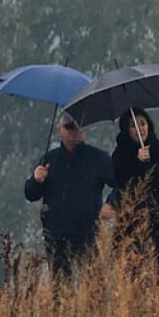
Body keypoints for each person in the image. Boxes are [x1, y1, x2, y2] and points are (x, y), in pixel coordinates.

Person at [22, 115, 115, 279]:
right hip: (56, 235)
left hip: (87, 234)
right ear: (60, 131)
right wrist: (36, 180)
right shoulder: (50, 159)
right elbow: (31, 194)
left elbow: (121, 184)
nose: (75, 130)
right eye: (69, 126)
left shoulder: (99, 158)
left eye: (79, 126)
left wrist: (111, 203)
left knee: (93, 287)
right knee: (60, 290)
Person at [106, 108, 159, 282]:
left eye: (142, 123)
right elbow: (121, 183)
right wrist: (137, 162)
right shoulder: (119, 154)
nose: (140, 129)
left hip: (157, 223)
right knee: (133, 276)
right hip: (131, 224)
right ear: (126, 129)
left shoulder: (158, 150)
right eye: (133, 125)